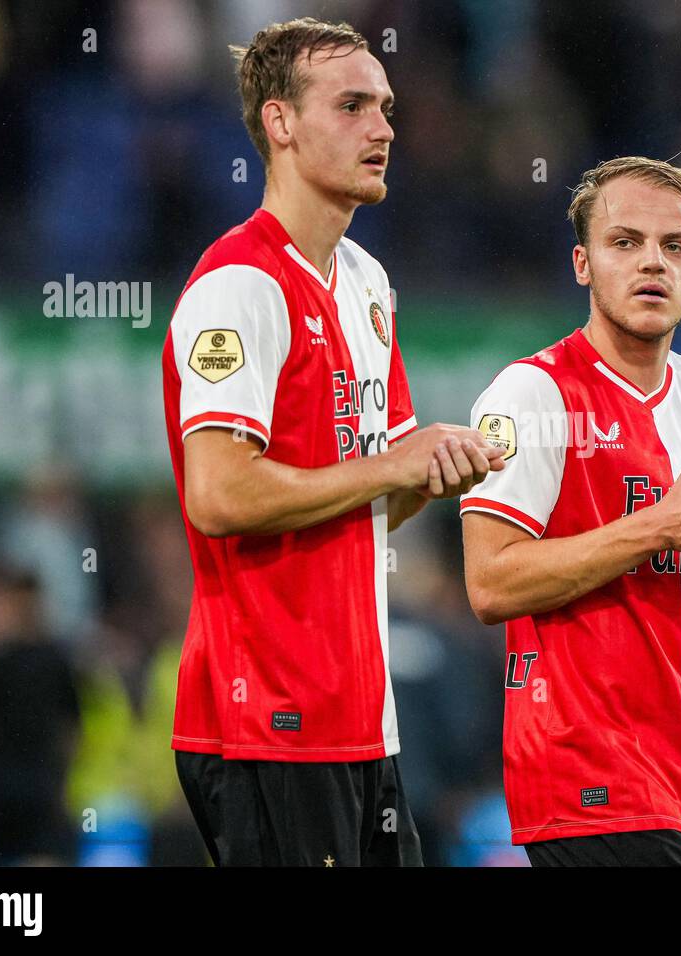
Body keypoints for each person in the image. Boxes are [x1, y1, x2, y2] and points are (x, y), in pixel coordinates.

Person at [162, 18, 505, 867]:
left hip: (362, 720)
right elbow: (217, 496)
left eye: (385, 107)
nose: (383, 128)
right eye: (352, 106)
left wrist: (430, 474)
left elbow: (367, 503)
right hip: (265, 721)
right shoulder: (238, 285)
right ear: (279, 124)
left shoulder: (366, 281)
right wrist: (393, 461)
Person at [460, 156, 681, 867]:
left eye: (674, 247)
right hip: (587, 782)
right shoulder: (532, 395)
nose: (653, 263)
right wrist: (664, 525)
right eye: (625, 242)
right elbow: (490, 584)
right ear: (582, 263)